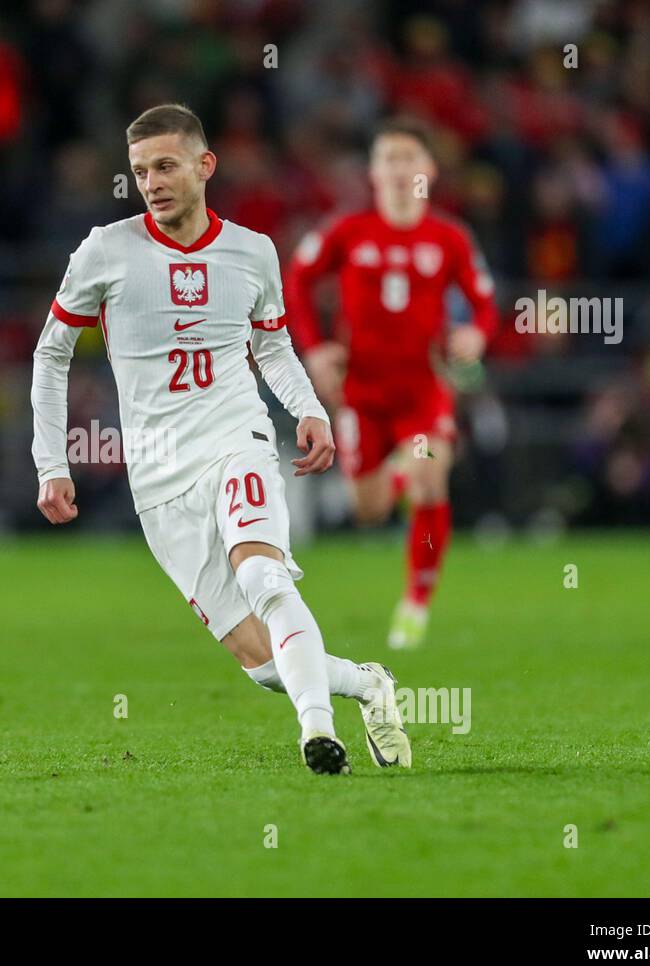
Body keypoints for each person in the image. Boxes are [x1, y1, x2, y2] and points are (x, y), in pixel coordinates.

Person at [31, 104, 410, 774]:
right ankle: (367, 683)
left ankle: (317, 733)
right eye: (141, 170)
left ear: (205, 166)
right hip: (158, 479)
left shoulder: (252, 250)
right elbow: (51, 353)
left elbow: (273, 345)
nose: (152, 181)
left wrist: (309, 410)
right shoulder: (104, 251)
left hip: (237, 440)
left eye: (167, 165)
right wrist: (50, 463)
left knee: (264, 573)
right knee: (263, 665)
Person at [286, 118, 498, 650]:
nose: (400, 169)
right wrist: (314, 347)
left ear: (428, 170)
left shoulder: (448, 237)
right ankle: (399, 472)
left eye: (409, 158)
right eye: (389, 158)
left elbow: (485, 301)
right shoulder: (348, 231)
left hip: (423, 391)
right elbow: (298, 279)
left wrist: (476, 332)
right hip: (360, 395)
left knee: (431, 477)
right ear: (374, 171)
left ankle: (416, 603)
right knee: (369, 509)